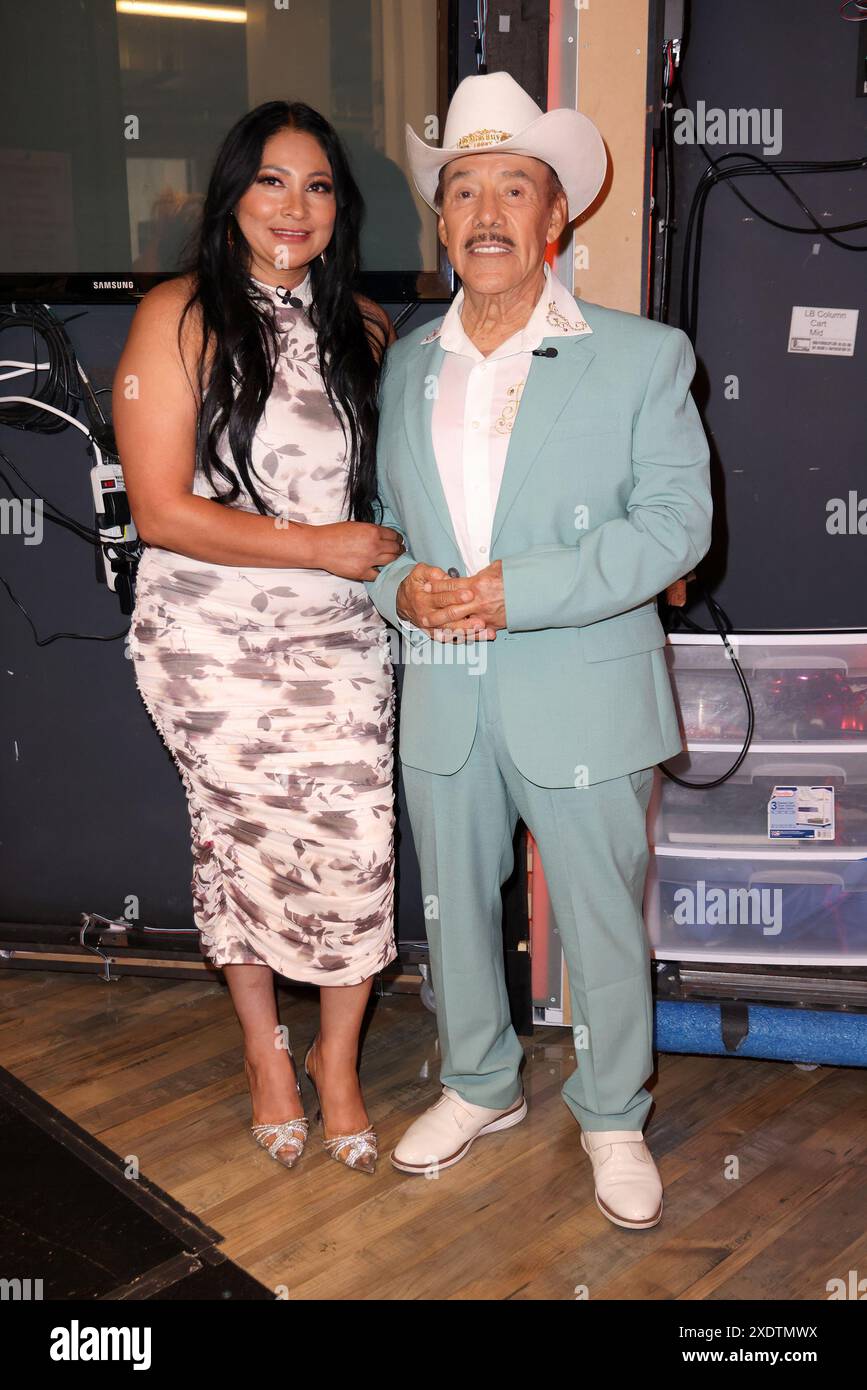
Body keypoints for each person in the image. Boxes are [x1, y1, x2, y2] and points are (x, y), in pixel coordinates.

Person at [366, 72, 713, 1227]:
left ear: (555, 216)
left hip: (583, 689)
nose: (487, 211)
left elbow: (677, 526)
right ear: (443, 216)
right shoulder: (406, 362)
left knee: (604, 916)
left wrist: (524, 590)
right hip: (446, 694)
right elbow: (383, 537)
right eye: (464, 189)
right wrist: (394, 585)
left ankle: (614, 1113)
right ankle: (481, 1084)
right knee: (453, 906)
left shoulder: (644, 354)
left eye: (515, 186)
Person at [113, 100, 404, 1176]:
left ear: (341, 207)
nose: (294, 206)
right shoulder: (178, 314)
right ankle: (263, 1055)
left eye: (318, 186)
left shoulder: (367, 330)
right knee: (238, 848)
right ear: (233, 192)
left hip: (338, 642)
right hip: (210, 641)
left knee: (358, 849)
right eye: (272, 181)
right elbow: (159, 509)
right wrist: (315, 546)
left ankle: (339, 1062)